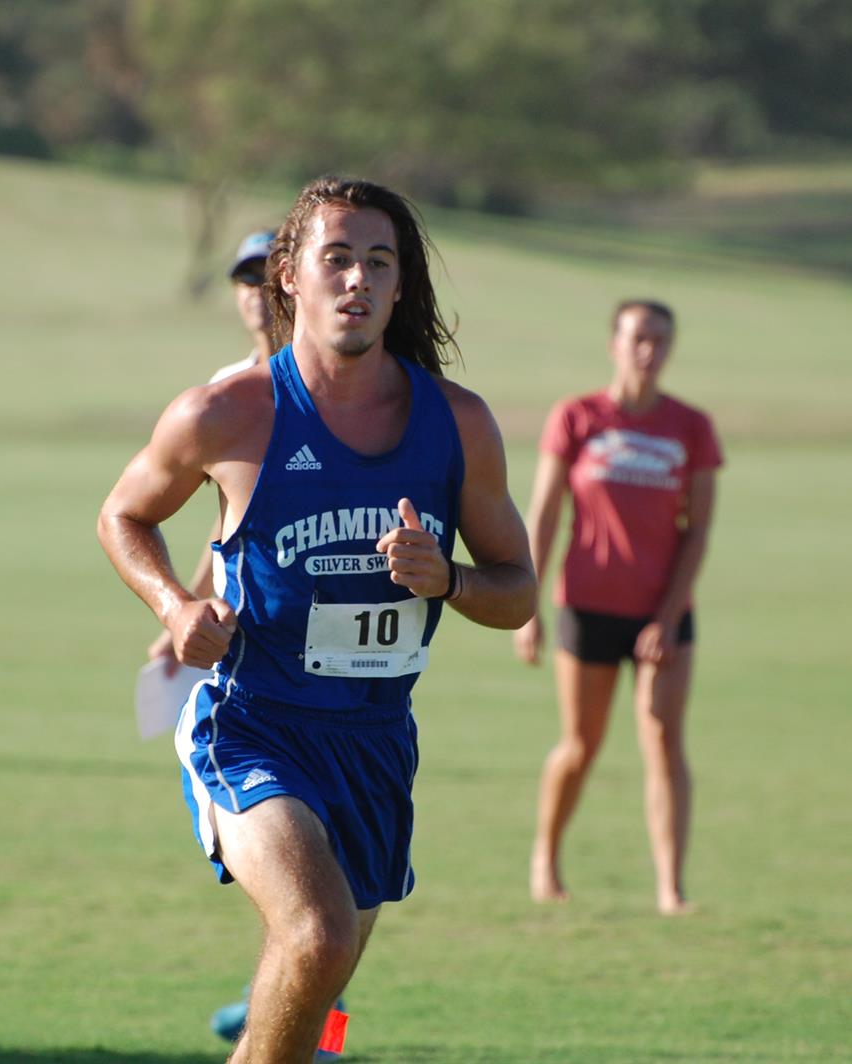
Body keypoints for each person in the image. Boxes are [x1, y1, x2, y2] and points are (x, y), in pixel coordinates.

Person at [98, 175, 535, 1063]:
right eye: (336, 258)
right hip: (251, 723)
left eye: (379, 261)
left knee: (312, 999)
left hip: (376, 739)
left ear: (401, 285)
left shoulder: (457, 424)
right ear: (289, 276)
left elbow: (518, 589)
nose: (357, 278)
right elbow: (123, 515)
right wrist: (175, 605)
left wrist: (447, 579)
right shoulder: (228, 412)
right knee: (318, 936)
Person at [513, 300, 721, 915]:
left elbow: (697, 530)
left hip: (663, 610)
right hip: (587, 604)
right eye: (637, 337)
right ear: (614, 344)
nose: (648, 350)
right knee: (581, 744)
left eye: (660, 339)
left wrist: (667, 617)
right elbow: (544, 515)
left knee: (664, 741)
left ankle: (671, 888)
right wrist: (526, 607)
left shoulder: (691, 427)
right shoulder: (577, 417)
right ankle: (546, 858)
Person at [145, 229, 278, 677]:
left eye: (267, 275)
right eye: (246, 278)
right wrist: (182, 610)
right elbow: (228, 521)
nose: (257, 290)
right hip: (240, 617)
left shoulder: (333, 385)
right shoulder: (225, 389)